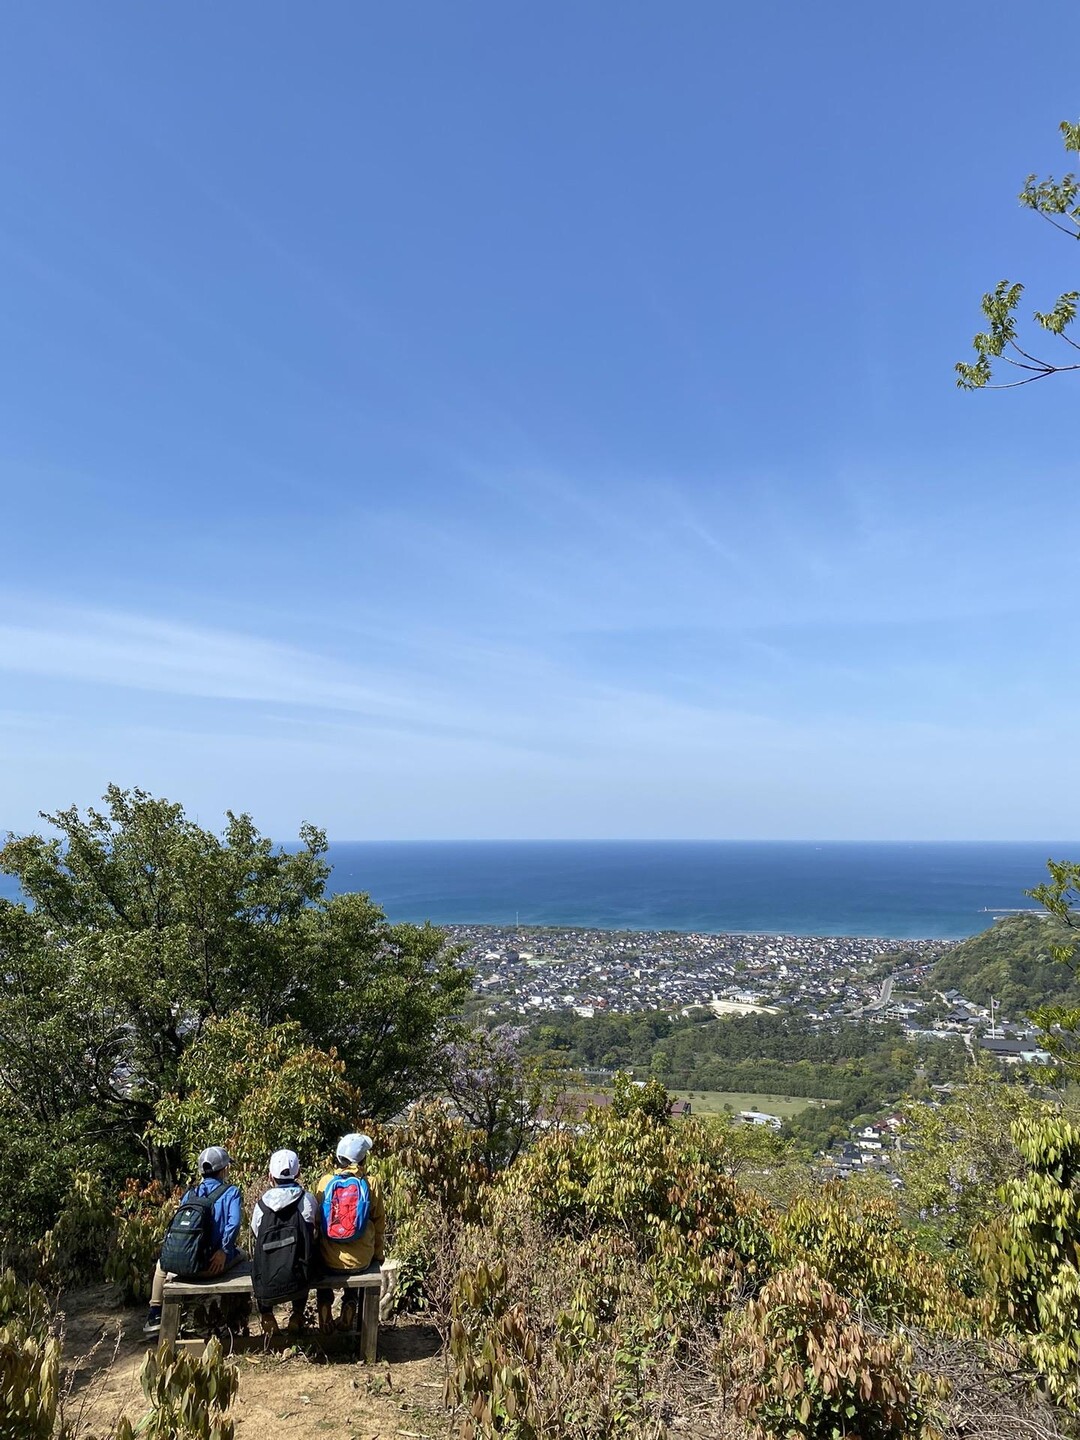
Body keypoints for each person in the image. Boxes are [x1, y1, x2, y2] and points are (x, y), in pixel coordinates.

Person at [143, 1146, 245, 1337]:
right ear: (224, 1170)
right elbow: (234, 1223)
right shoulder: (232, 1192)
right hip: (209, 1268)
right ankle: (231, 1321)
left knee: (160, 1265)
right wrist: (223, 1250)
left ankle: (154, 1315)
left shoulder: (191, 1193)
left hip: (184, 1267)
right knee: (243, 1255)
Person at [314, 1133, 385, 1334]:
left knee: (323, 1263)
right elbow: (379, 1223)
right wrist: (378, 1255)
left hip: (329, 1260)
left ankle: (325, 1303)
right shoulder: (371, 1183)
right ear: (363, 1159)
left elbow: (318, 1221)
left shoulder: (325, 1182)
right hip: (361, 1261)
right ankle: (350, 1303)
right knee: (358, 1267)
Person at [250, 1148, 319, 1337]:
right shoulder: (307, 1199)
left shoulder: (261, 1205)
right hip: (299, 1276)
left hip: (268, 1274)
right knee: (306, 1256)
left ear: (270, 1176)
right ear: (298, 1173)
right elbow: (313, 1230)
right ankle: (297, 1314)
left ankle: (266, 1314)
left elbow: (257, 1232)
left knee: (261, 1263)